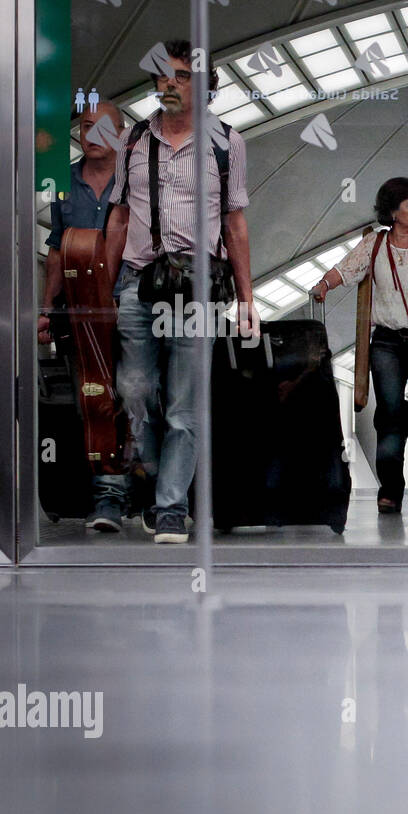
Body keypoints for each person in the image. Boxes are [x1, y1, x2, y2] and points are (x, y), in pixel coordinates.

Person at [104, 40, 257, 543]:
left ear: (205, 86)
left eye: (181, 76)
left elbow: (235, 223)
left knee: (185, 406)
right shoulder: (131, 140)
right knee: (135, 392)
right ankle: (153, 489)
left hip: (197, 288)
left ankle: (170, 506)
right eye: (162, 76)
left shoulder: (226, 142)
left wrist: (247, 297)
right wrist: (105, 290)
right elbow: (120, 216)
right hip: (137, 280)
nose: (169, 83)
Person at [312, 177, 408, 515]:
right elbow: (346, 269)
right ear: (393, 211)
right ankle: (391, 487)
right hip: (387, 342)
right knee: (391, 413)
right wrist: (323, 285)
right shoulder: (375, 245)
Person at [39, 100, 128, 532]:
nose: (92, 134)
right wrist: (45, 308)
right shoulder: (64, 183)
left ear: (121, 131)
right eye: (87, 126)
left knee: (135, 395)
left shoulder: (138, 179)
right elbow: (57, 250)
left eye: (103, 127)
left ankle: (136, 489)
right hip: (77, 311)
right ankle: (105, 497)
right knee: (91, 401)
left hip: (130, 307)